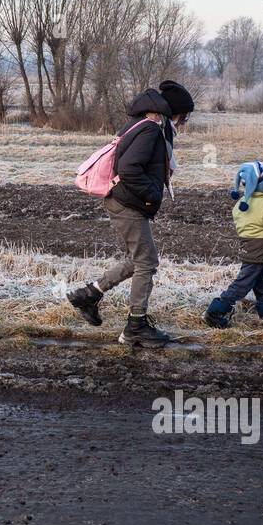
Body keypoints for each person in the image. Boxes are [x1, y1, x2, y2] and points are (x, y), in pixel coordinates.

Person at [66, 82, 190, 348]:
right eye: (184, 117)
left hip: (124, 202)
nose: (184, 123)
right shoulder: (150, 131)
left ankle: (88, 294)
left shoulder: (143, 124)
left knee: (140, 259)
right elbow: (130, 168)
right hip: (128, 203)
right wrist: (151, 196)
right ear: (174, 113)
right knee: (147, 262)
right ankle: (135, 326)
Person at [204, 161, 263, 327]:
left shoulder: (245, 203)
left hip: (251, 247)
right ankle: (216, 310)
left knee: (262, 280)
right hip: (260, 248)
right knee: (244, 282)